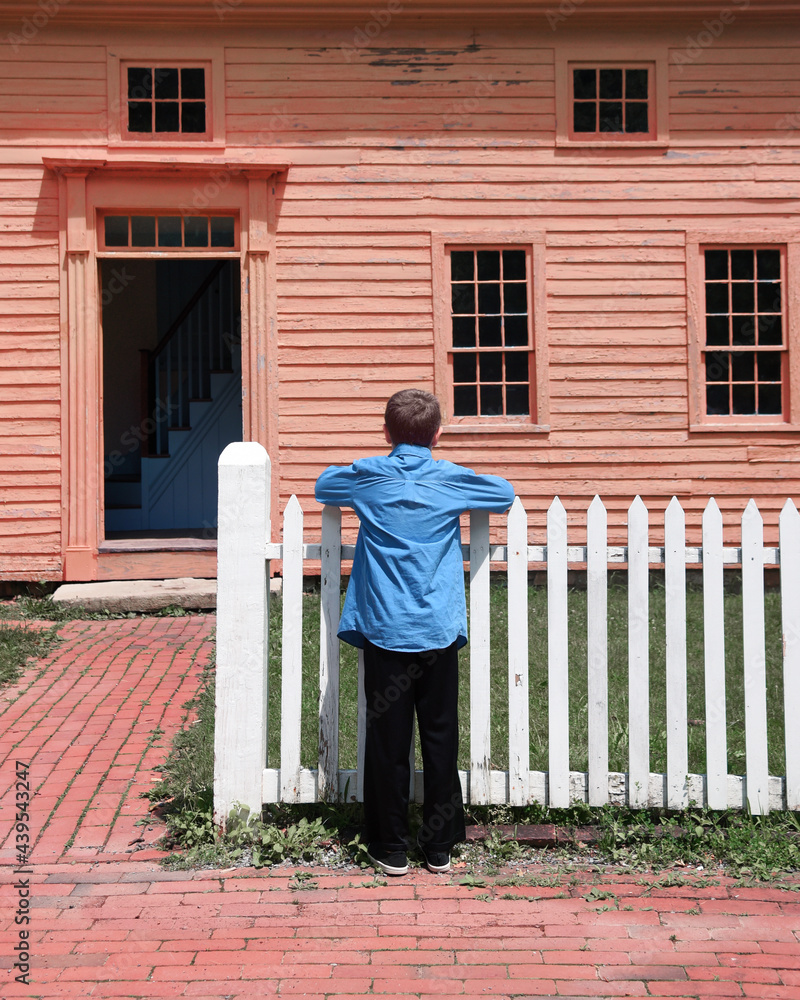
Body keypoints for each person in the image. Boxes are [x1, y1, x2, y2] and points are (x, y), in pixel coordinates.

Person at [314, 388, 515, 875]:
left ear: (385, 432)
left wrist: (372, 466)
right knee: (440, 737)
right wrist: (451, 474)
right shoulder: (451, 480)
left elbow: (324, 486)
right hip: (437, 631)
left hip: (385, 628)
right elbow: (503, 493)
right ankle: (440, 845)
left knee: (388, 740)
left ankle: (390, 847)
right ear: (438, 434)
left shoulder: (367, 479)